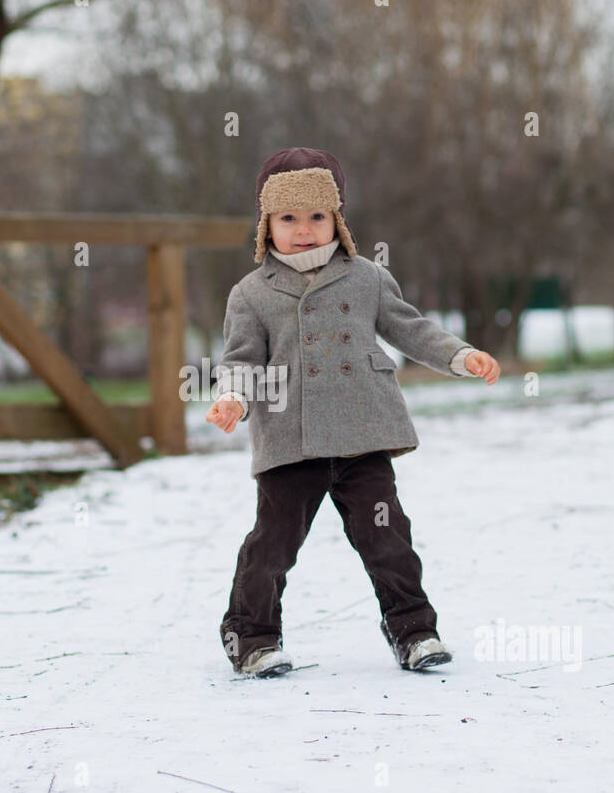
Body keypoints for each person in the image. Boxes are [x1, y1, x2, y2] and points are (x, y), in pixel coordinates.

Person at [205, 146, 500, 677]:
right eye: (288, 218)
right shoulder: (251, 294)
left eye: (317, 216)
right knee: (272, 545)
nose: (304, 230)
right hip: (290, 442)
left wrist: (460, 355)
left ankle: (413, 630)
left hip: (363, 434)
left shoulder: (366, 277)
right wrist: (232, 397)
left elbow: (411, 329)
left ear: (336, 219)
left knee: (387, 537)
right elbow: (241, 360)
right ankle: (250, 636)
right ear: (266, 224)